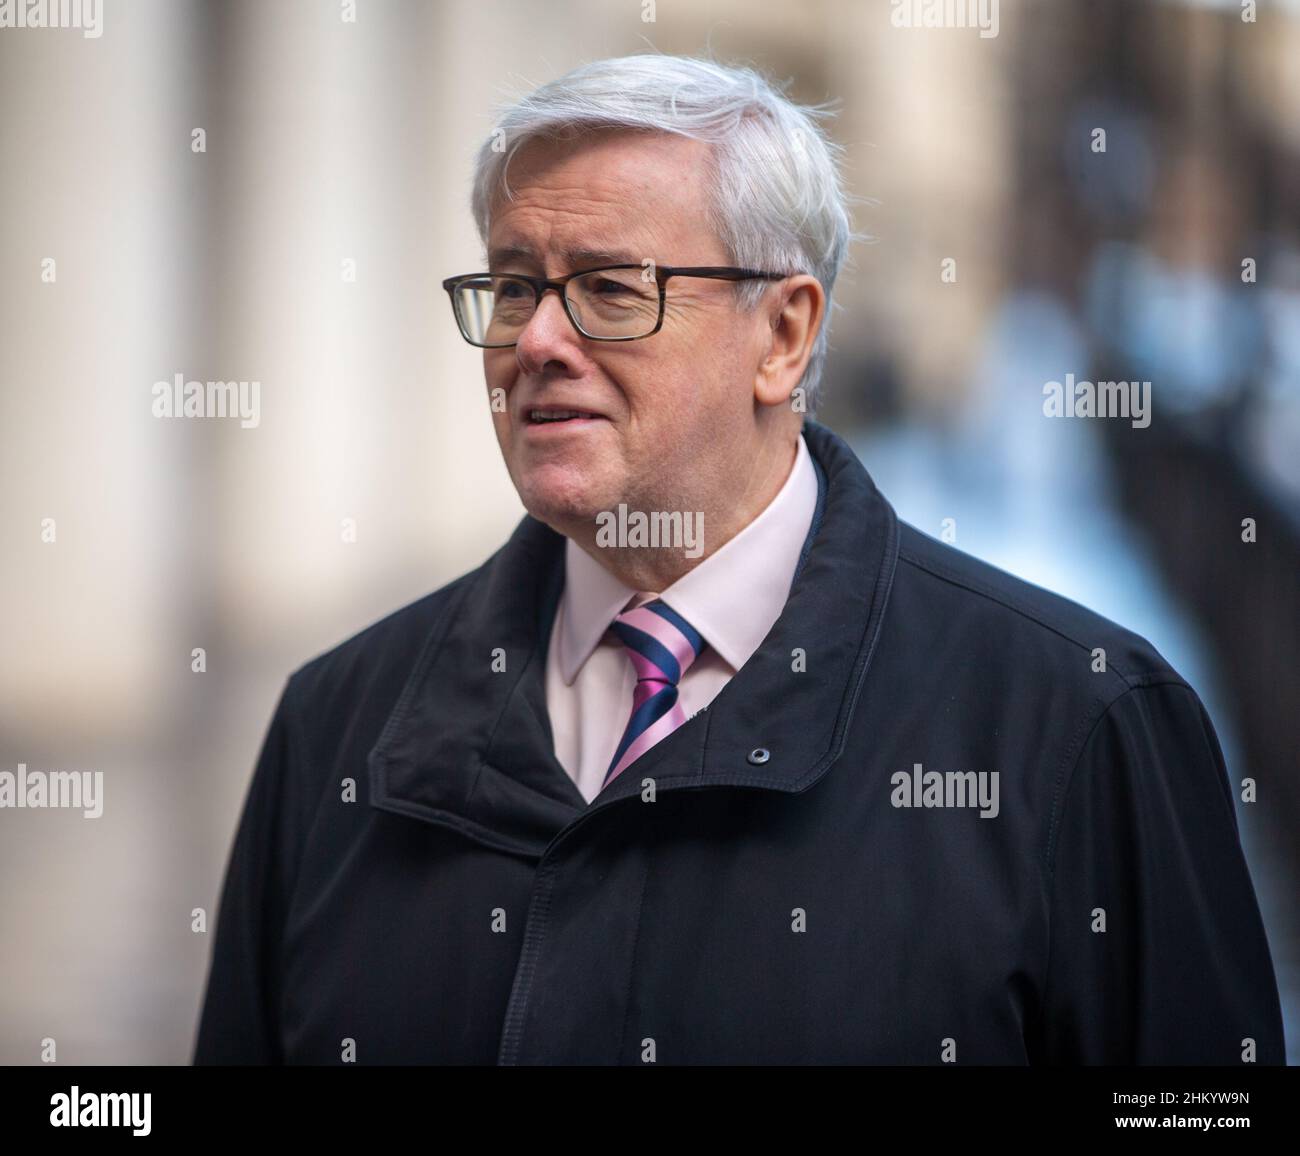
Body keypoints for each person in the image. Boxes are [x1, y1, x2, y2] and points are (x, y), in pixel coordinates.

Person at [193, 54, 1285, 1065]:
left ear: (784, 336)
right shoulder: (336, 725)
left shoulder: (1081, 725)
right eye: (514, 285)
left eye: (611, 289)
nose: (533, 340)